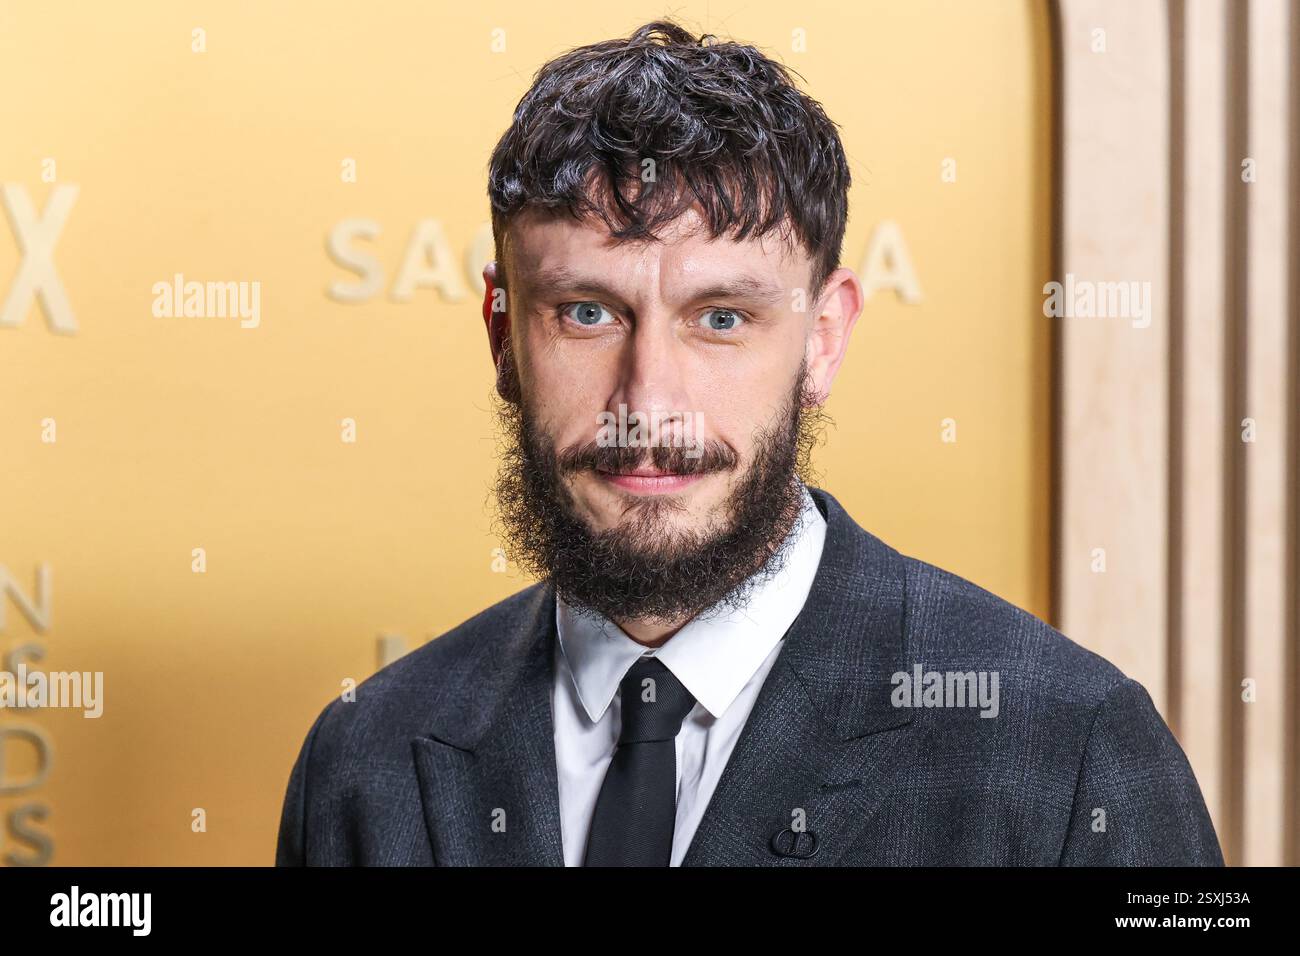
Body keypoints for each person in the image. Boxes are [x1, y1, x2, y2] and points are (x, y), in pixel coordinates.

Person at [276, 19, 1222, 866]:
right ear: (501, 331)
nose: (649, 401)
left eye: (721, 317)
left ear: (822, 338)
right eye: (588, 312)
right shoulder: (364, 760)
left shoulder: (1068, 755)